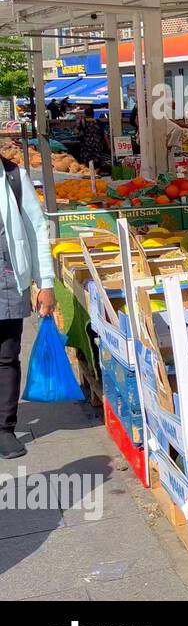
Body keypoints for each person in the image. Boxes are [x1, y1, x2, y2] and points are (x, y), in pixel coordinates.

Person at [0, 156, 57, 458]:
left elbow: (37, 230)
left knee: (7, 356)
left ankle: (4, 428)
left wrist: (45, 283)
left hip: (7, 280)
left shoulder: (13, 176)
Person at [76, 105, 108, 170]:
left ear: (85, 114)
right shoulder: (98, 122)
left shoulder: (82, 122)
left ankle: (88, 173)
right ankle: (96, 173)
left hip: (86, 145)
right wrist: (108, 144)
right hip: (97, 144)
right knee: (97, 162)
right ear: (93, 114)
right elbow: (104, 134)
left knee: (86, 162)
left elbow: (77, 132)